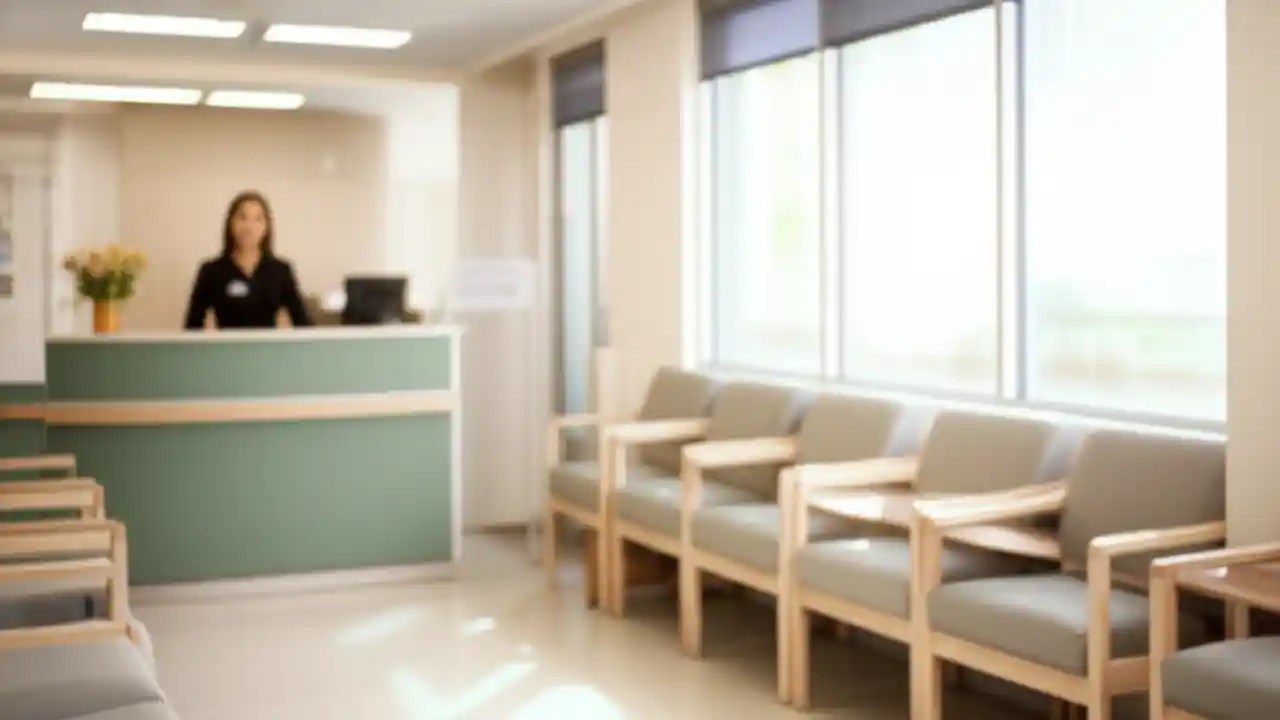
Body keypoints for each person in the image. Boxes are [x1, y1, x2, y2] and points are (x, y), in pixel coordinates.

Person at [184, 191, 313, 330]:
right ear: (230, 223)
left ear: (266, 227)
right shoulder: (211, 271)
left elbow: (303, 323)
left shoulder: (281, 270)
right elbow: (192, 327)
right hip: (226, 350)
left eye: (258, 219)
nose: (249, 226)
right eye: (242, 217)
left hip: (267, 349)